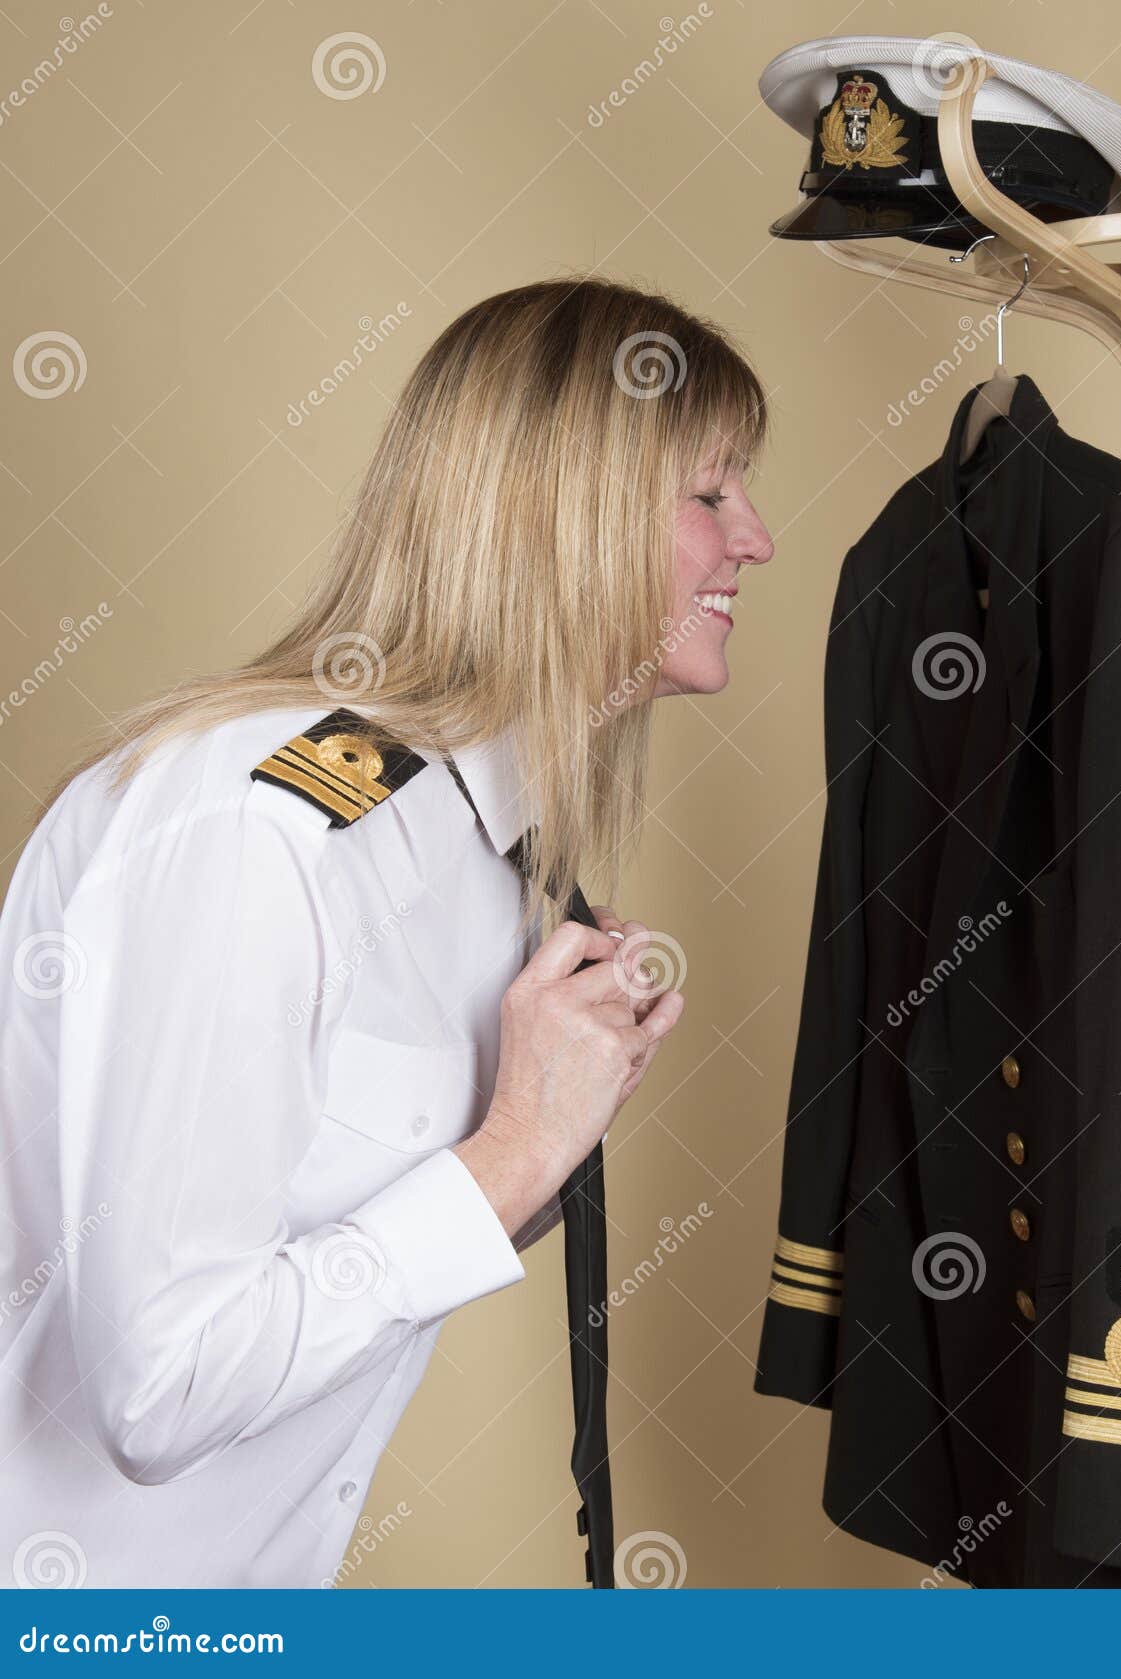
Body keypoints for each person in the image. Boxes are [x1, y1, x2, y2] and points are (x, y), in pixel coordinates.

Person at [0, 277, 774, 1588]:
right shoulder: (265, 826)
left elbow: (350, 1241)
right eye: (710, 494)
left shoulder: (491, 849)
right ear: (561, 514)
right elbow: (162, 1386)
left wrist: (547, 1127)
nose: (754, 538)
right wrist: (515, 1151)